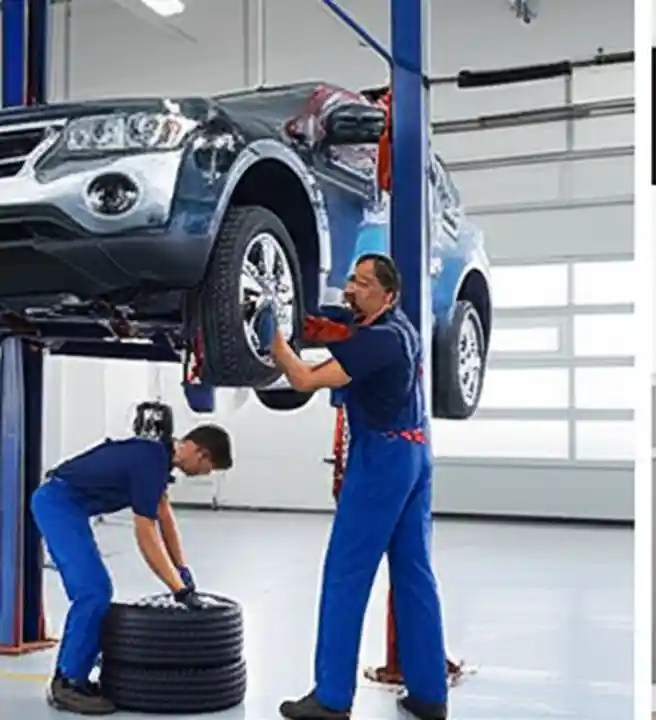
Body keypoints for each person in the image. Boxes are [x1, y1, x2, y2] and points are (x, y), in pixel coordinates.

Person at [269, 253, 447, 720]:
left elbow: (304, 379)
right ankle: (429, 694)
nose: (351, 288)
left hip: (382, 459)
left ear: (387, 295)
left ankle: (330, 698)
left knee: (346, 574)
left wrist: (271, 337)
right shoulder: (402, 328)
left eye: (364, 283)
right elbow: (345, 333)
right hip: (415, 453)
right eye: (352, 279)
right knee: (414, 573)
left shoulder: (379, 342)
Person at [32, 425, 233, 715]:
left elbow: (164, 516)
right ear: (198, 450)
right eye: (206, 466)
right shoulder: (150, 459)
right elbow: (146, 533)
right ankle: (67, 682)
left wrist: (182, 571)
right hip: (57, 503)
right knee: (93, 591)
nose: (202, 473)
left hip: (69, 506)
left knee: (96, 591)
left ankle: (78, 674)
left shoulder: (157, 461)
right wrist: (179, 590)